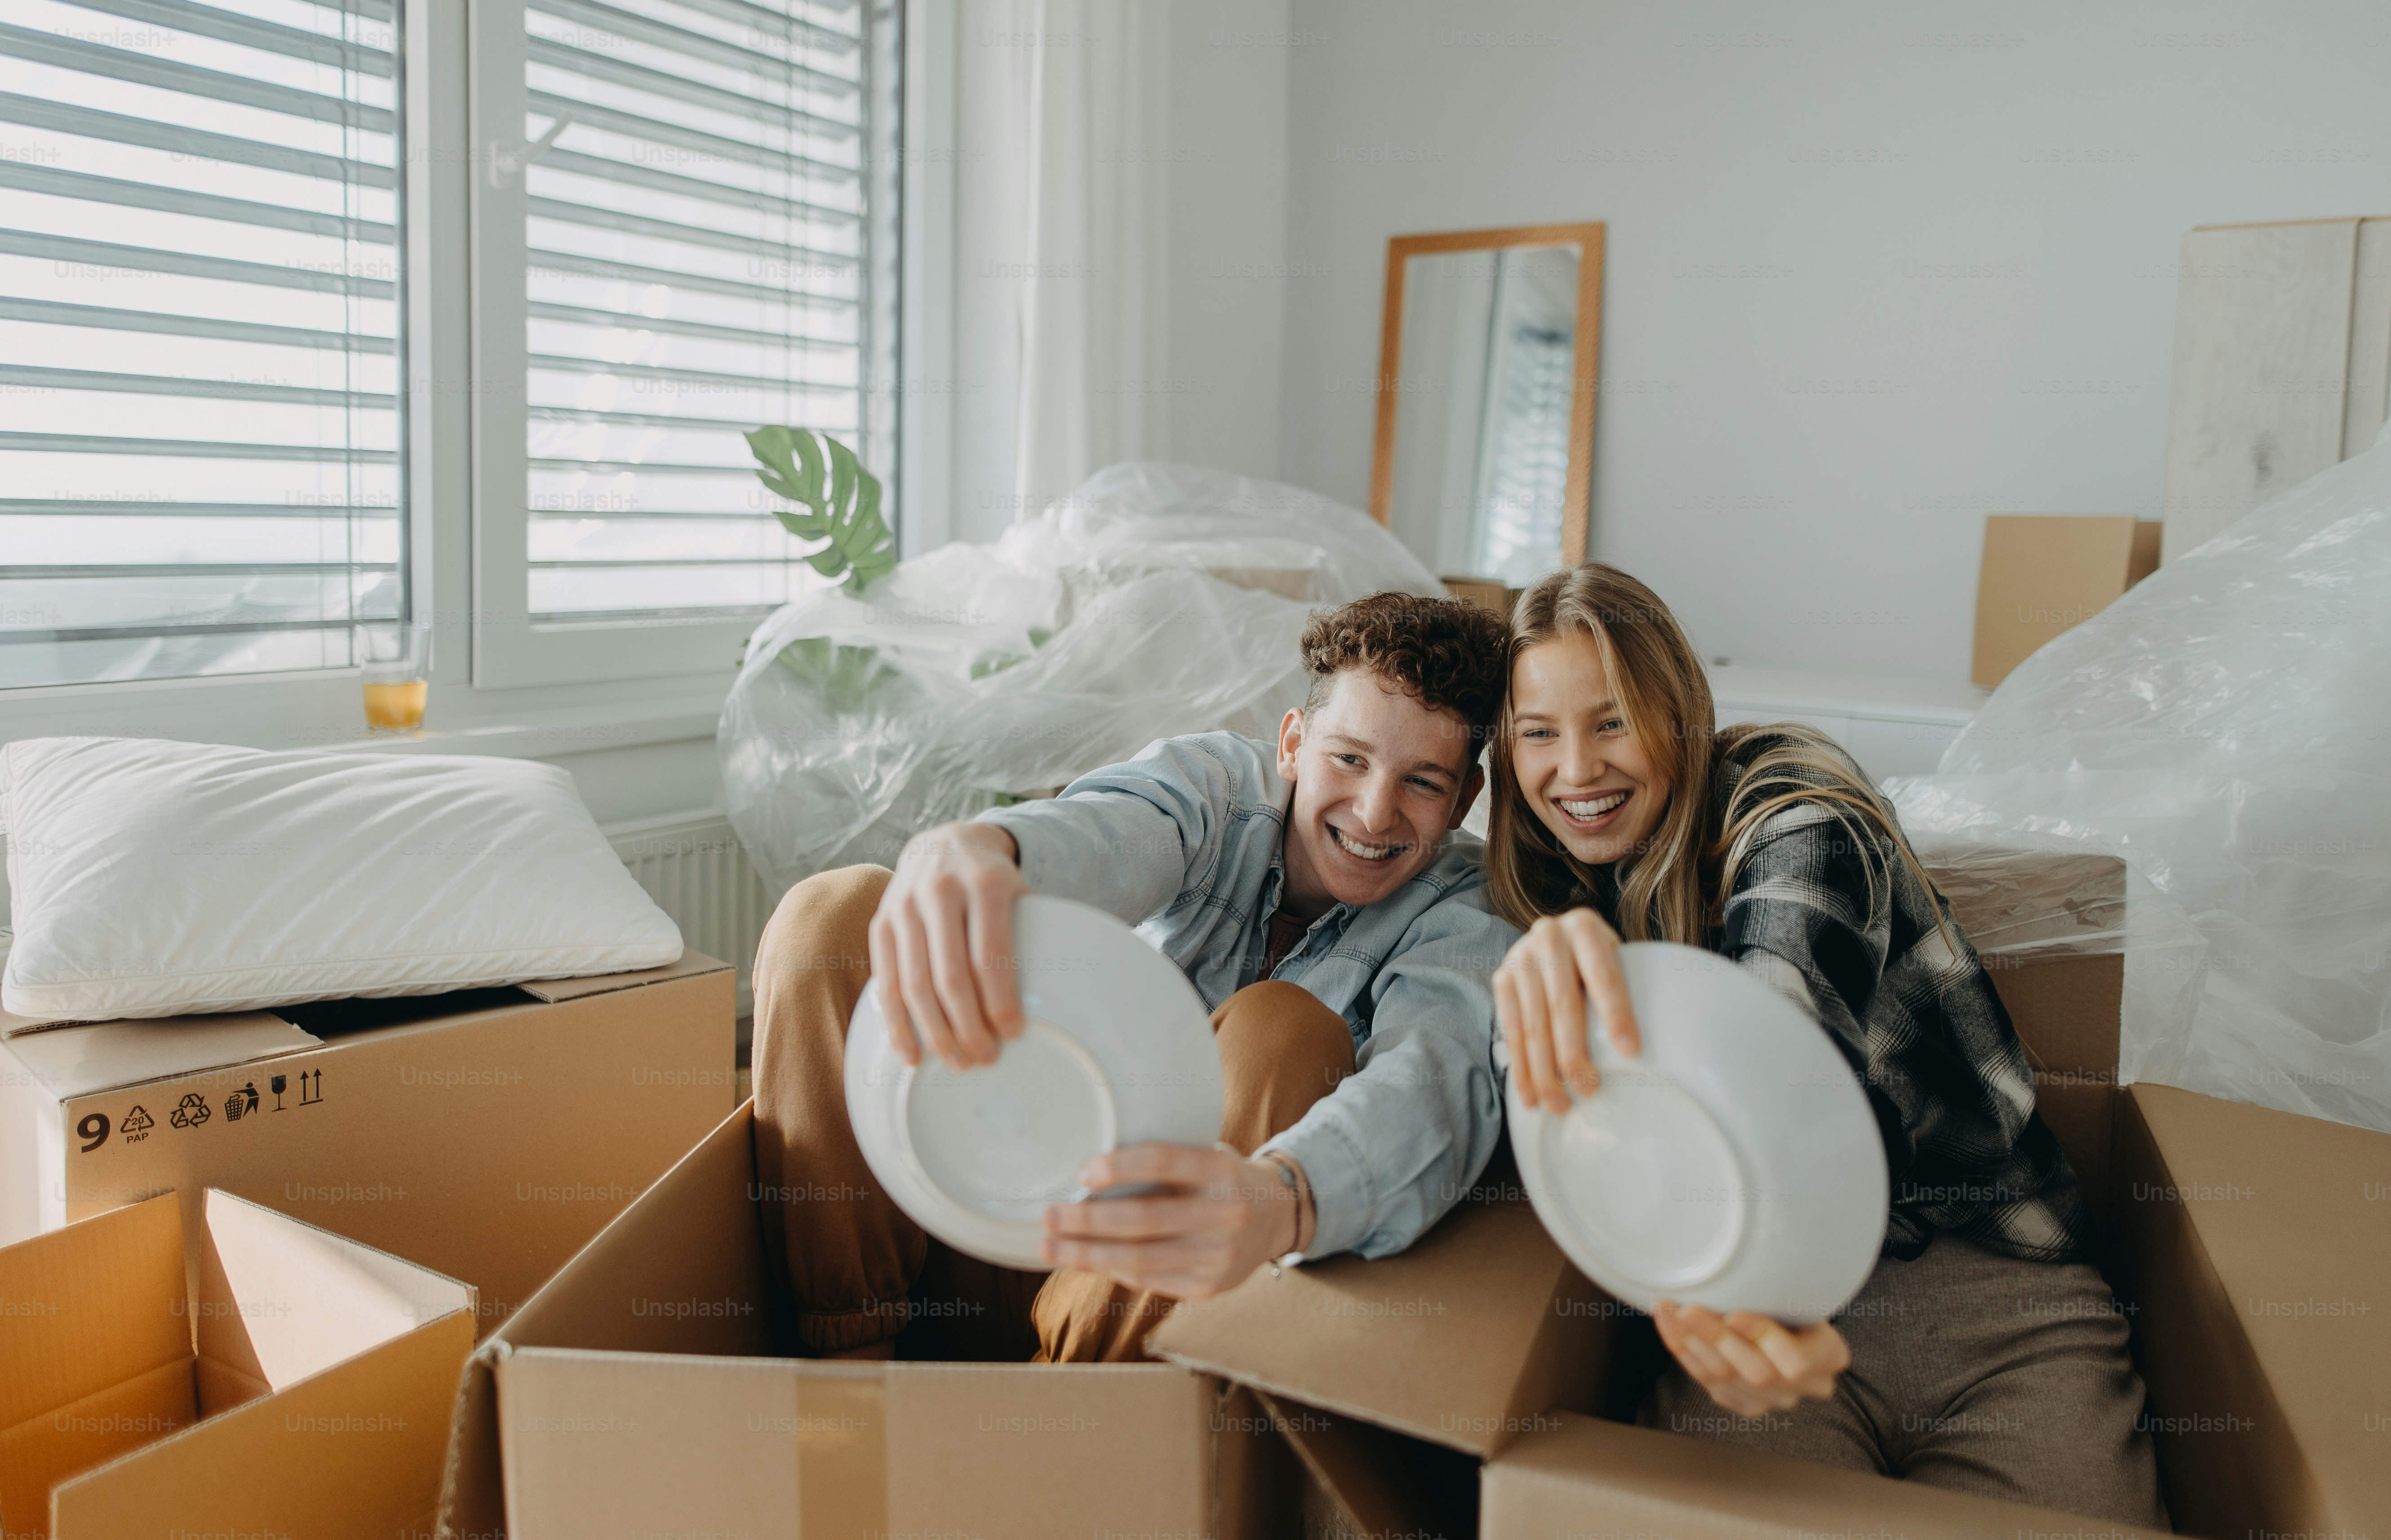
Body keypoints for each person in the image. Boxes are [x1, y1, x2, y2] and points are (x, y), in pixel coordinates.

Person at [1485, 563, 2165, 1526]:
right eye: (1537, 734)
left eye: (1612, 720)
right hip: (1767, 1305)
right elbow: (1527, 1098)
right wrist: (1522, 1026)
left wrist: (1742, 1283)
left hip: (1996, 1295)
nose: (1577, 769)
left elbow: (1781, 1040)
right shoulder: (1546, 873)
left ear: (1677, 710)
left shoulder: (1797, 809)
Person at [748, 591, 1517, 1363]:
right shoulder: (1214, 789)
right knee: (830, 914)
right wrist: (990, 849)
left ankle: (1058, 1445)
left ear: (1463, 800)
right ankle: (849, 1370)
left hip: (1137, 1314)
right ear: (1292, 744)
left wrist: (1286, 1195)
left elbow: (1432, 1082)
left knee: (1281, 1029)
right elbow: (1112, 831)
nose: (1376, 812)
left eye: (1422, 782)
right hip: (984, 1216)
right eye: (1348, 759)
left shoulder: (1463, 907)